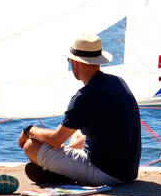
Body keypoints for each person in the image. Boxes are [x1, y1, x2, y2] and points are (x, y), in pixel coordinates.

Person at [19, 34, 140, 187]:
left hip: (104, 173)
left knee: (30, 146)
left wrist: (30, 130)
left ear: (75, 63)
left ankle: (63, 172)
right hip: (128, 171)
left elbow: (56, 140)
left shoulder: (84, 96)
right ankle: (65, 169)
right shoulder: (118, 82)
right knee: (77, 133)